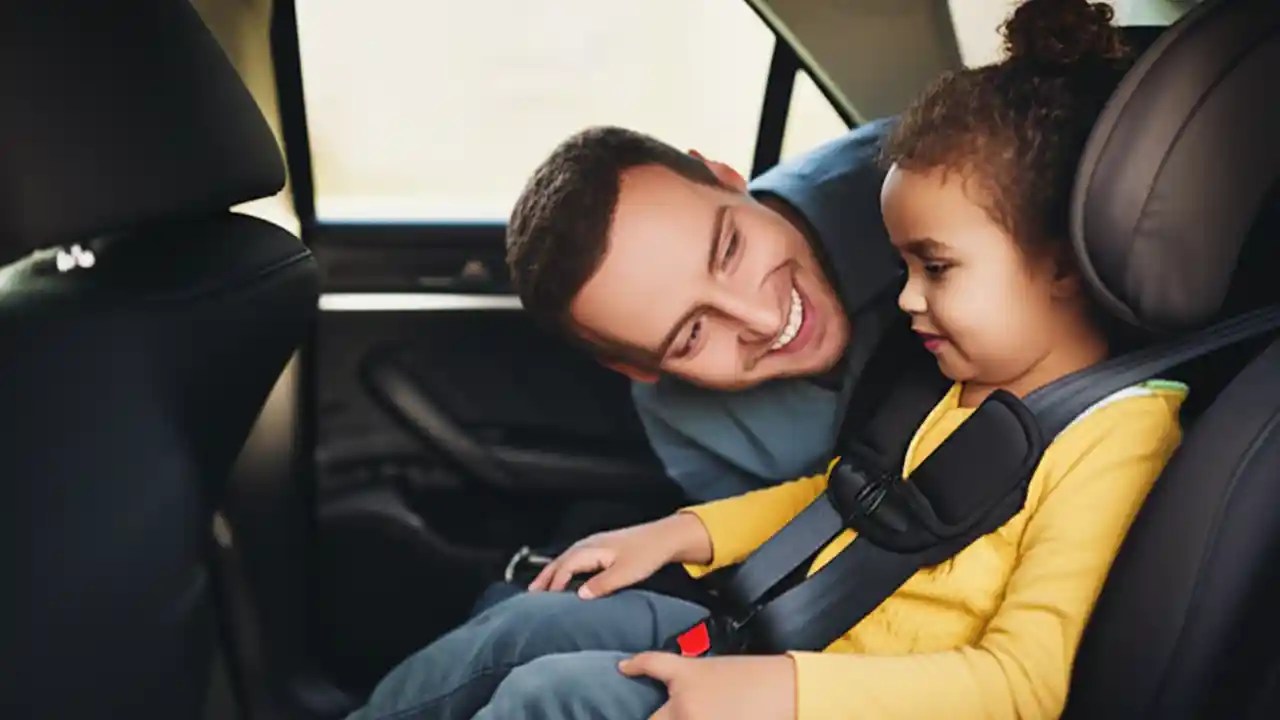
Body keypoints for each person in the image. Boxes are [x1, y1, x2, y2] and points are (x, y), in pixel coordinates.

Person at [347, 1, 1188, 718]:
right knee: (528, 627)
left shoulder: (1100, 420)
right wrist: (680, 533)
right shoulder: (965, 379)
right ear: (644, 371)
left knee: (553, 693)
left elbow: (1022, 685)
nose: (756, 315)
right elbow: (842, 500)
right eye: (689, 336)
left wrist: (777, 688)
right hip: (808, 634)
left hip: (836, 682)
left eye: (933, 267)